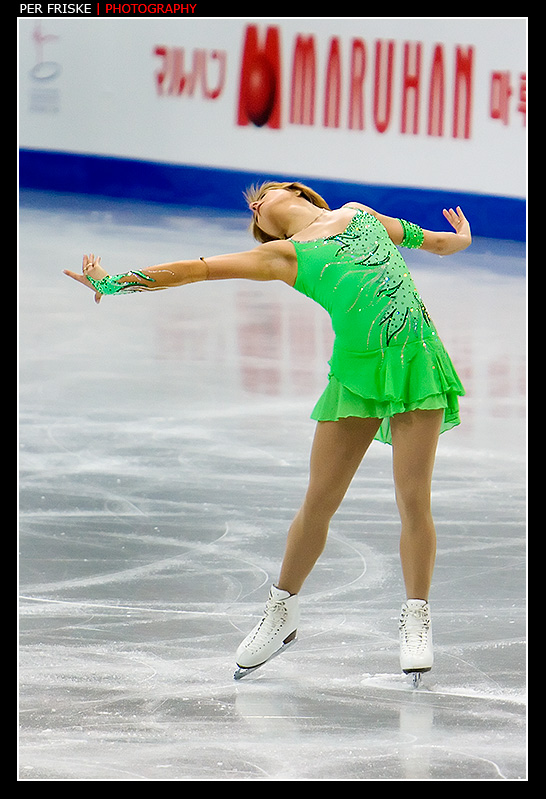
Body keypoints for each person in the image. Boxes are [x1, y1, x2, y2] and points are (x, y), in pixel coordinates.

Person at [64, 181, 471, 681]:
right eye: (254, 213)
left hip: (416, 364)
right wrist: (114, 283)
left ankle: (416, 618)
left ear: (295, 191)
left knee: (414, 498)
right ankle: (282, 613)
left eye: (260, 197)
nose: (256, 206)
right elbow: (196, 271)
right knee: (319, 500)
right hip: (355, 376)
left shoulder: (360, 213)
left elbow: (431, 241)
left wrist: (460, 240)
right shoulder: (283, 257)